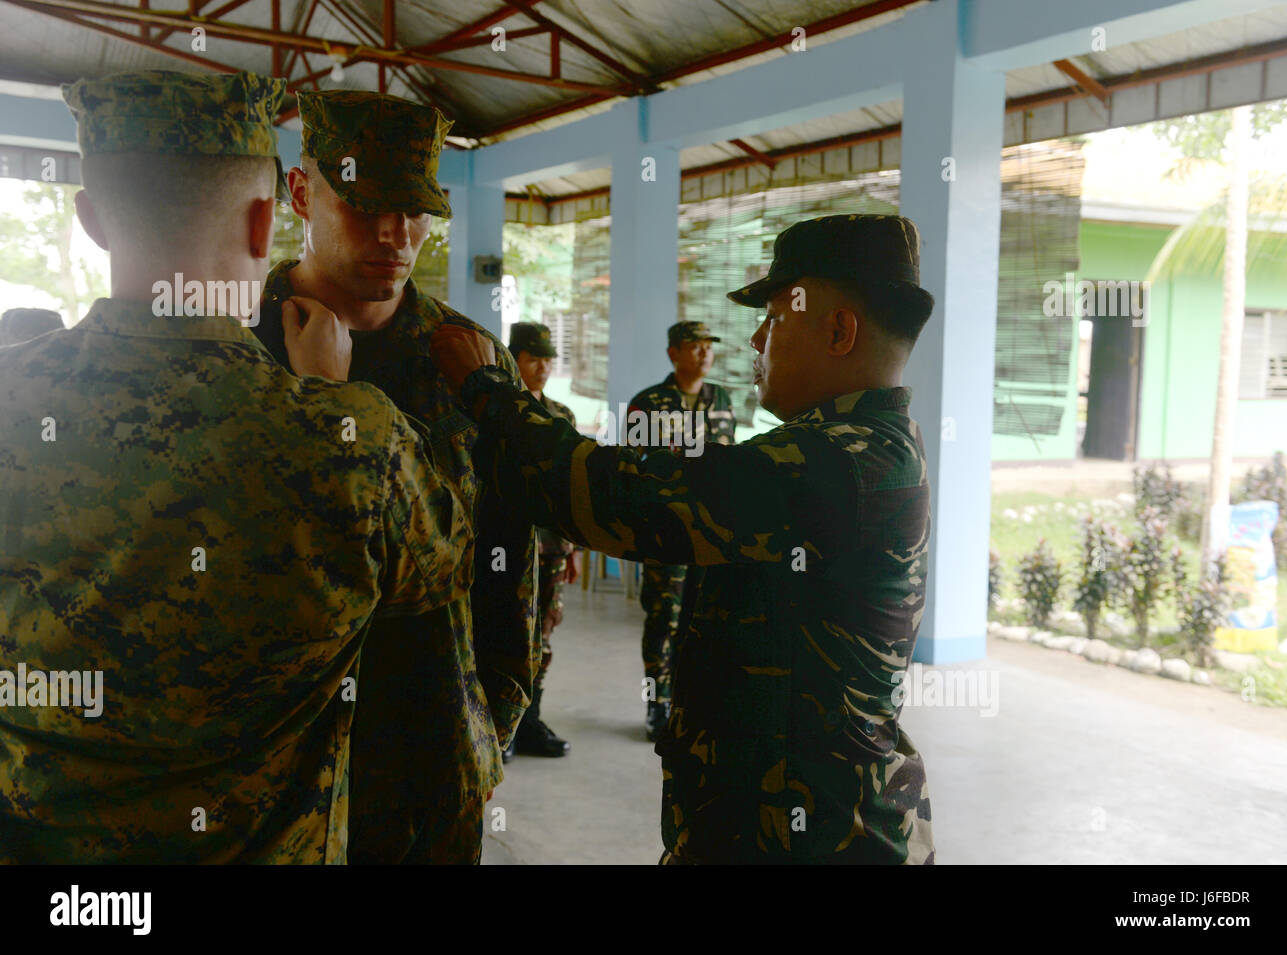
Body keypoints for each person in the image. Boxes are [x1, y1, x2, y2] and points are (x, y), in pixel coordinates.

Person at [0, 70, 469, 863]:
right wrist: (335, 404)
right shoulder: (350, 439)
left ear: (91, 221)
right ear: (266, 221)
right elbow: (440, 570)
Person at [427, 213, 937, 864]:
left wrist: (488, 393)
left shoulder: (843, 465)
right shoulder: (863, 446)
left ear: (839, 330)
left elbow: (622, 497)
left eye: (776, 318)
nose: (756, 338)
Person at [250, 89, 537, 864]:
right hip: (264, 787)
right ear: (302, 191)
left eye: (413, 209)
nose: (394, 232)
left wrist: (493, 719)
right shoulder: (237, 353)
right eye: (365, 202)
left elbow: (511, 562)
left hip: (426, 772)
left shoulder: (467, 362)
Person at [627, 321, 735, 741]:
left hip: (709, 535)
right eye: (695, 346)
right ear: (673, 353)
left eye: (709, 346)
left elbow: (730, 463)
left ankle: (692, 701)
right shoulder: (648, 403)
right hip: (665, 533)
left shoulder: (721, 398)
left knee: (701, 620)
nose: (705, 353)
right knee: (663, 620)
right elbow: (631, 468)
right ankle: (657, 704)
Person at [503, 321, 579, 760]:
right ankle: (505, 723)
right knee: (507, 629)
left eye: (549, 358)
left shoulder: (561, 415)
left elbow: (571, 489)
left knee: (543, 635)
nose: (544, 366)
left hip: (551, 546)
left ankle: (531, 722)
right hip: (507, 546)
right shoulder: (498, 411)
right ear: (514, 358)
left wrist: (573, 550)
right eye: (535, 358)